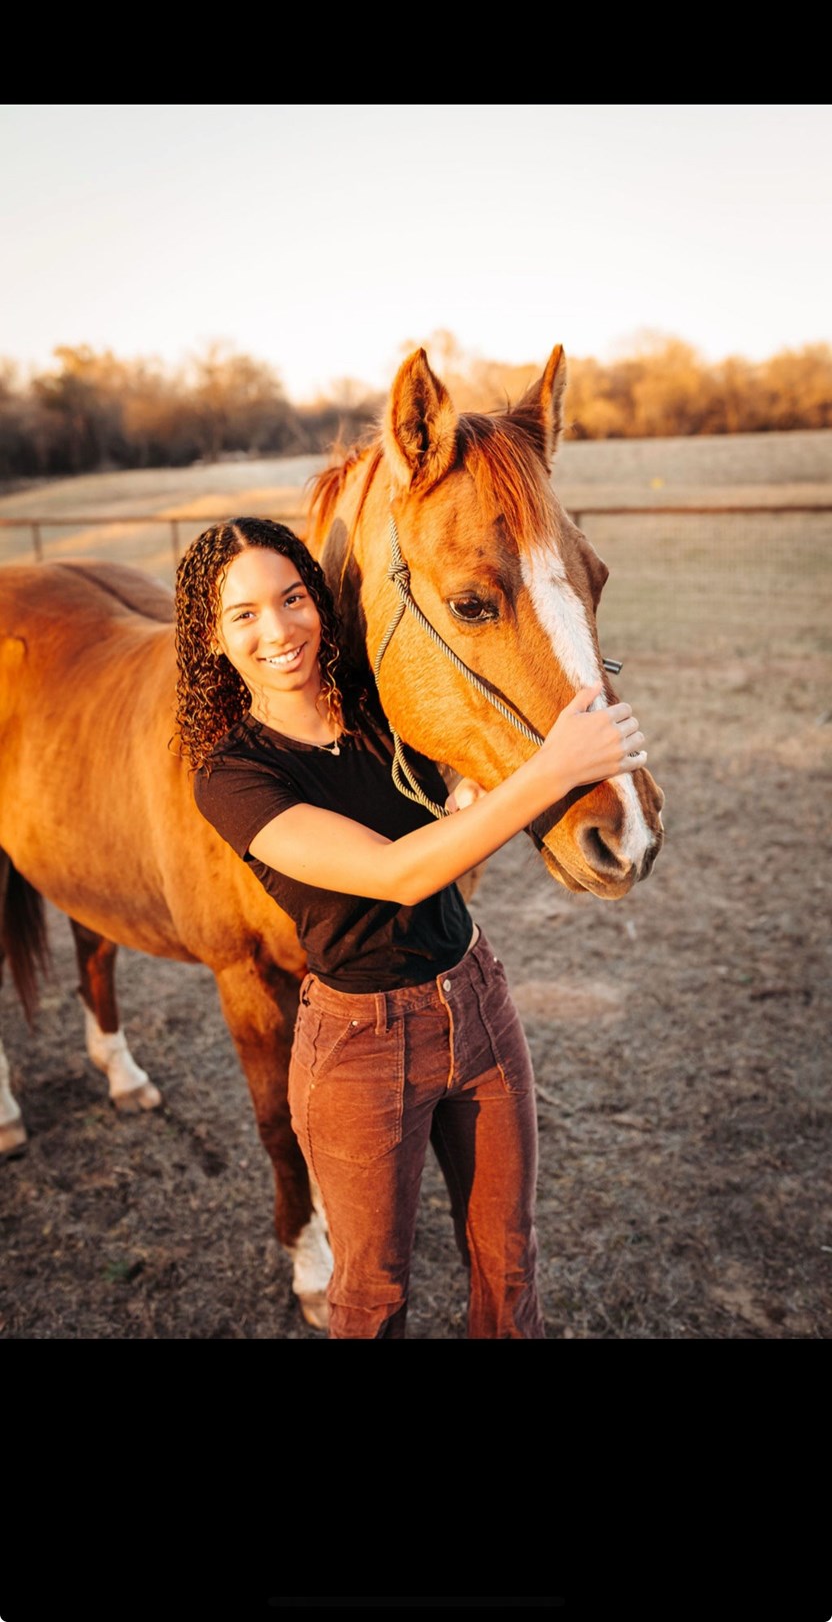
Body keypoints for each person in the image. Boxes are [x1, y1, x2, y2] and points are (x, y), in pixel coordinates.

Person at [173, 517, 648, 1339]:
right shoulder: (233, 775)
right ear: (212, 640)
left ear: (317, 601)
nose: (279, 629)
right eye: (243, 614)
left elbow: (457, 781)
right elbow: (397, 872)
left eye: (291, 598)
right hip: (361, 1047)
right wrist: (554, 769)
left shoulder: (377, 709)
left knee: (508, 1260)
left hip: (479, 1003)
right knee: (374, 1294)